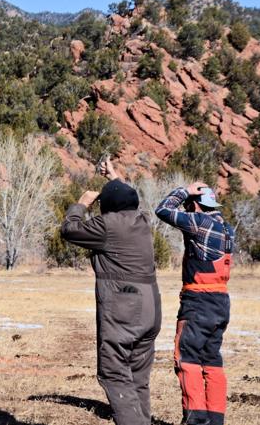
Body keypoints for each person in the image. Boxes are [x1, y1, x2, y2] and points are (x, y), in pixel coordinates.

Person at [61, 158, 161, 425]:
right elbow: (127, 198)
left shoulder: (107, 225)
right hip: (151, 308)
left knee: (114, 373)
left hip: (124, 308)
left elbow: (69, 230)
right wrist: (114, 178)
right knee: (138, 376)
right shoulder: (142, 220)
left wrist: (81, 203)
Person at [155, 182, 234, 425]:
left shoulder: (199, 223)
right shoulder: (227, 227)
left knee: (187, 359)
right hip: (220, 301)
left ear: (195, 204)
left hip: (198, 300)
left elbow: (163, 210)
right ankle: (215, 419)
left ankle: (196, 421)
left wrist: (183, 191)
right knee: (211, 360)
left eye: (190, 205)